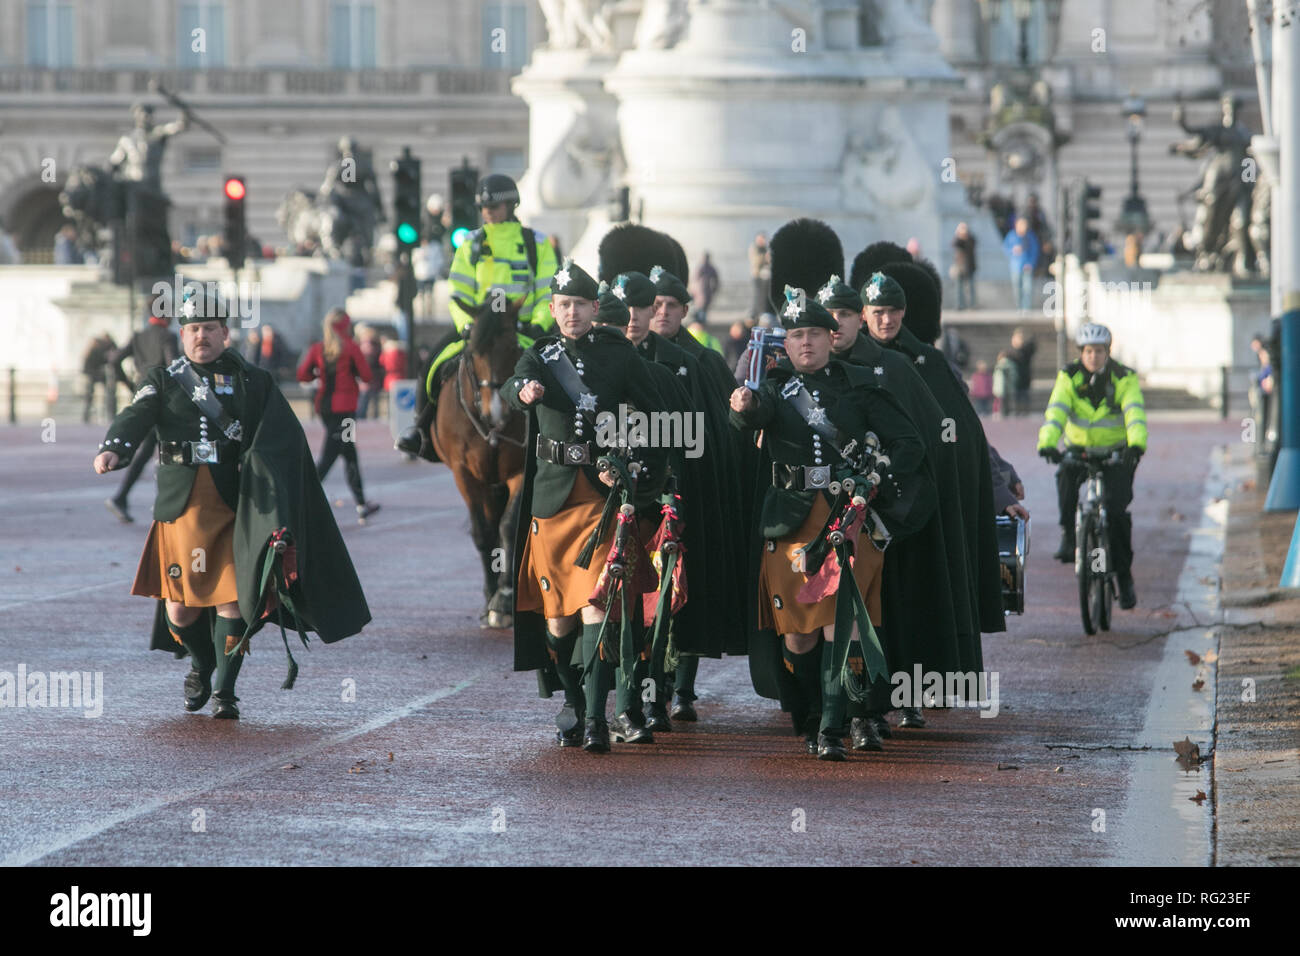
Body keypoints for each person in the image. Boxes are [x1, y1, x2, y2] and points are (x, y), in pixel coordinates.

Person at [92, 289, 370, 719]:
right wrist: (115, 448)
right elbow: (135, 415)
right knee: (180, 609)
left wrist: (265, 475)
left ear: (224, 333)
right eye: (193, 329)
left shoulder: (252, 381)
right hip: (182, 509)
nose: (201, 336)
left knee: (233, 602)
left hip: (236, 508)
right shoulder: (162, 378)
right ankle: (203, 665)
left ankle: (225, 689)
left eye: (209, 328)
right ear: (182, 335)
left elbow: (283, 439)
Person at [729, 288, 932, 759]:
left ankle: (838, 725)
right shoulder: (776, 389)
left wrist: (877, 475)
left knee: (845, 626)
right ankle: (810, 712)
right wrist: (741, 408)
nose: (805, 344)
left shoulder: (857, 385)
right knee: (799, 633)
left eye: (814, 334)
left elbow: (910, 444)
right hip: (791, 522)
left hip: (849, 518)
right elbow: (751, 416)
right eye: (797, 335)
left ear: (830, 336)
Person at [504, 259, 672, 752]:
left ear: (595, 308)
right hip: (552, 501)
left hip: (601, 502)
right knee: (558, 622)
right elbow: (515, 385)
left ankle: (598, 719)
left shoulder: (617, 356)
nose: (571, 312)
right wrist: (524, 391)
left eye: (580, 304)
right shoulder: (539, 354)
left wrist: (625, 457)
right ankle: (575, 699)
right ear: (552, 309)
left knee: (598, 604)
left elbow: (656, 417)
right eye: (563, 305)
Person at [397, 173, 558, 461]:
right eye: (483, 207)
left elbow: (547, 290)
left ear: (511, 205)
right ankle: (419, 430)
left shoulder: (537, 243)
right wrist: (467, 325)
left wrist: (538, 324)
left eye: (493, 207)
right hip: (479, 329)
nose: (487, 212)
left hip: (524, 329)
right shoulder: (470, 242)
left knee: (562, 372)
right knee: (432, 366)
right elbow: (458, 290)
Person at [1037, 322, 1147, 609]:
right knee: (1064, 477)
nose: (1093, 356)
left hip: (1115, 453)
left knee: (1117, 514)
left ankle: (1124, 576)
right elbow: (1056, 411)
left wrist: (1136, 446)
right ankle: (1067, 535)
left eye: (1099, 351)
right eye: (1088, 351)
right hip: (1080, 451)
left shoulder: (1124, 377)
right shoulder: (1069, 376)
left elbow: (1134, 413)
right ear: (1081, 352)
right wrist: (1047, 442)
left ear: (1107, 352)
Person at [296, 309, 381, 523]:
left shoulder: (318, 348)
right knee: (330, 456)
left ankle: (362, 503)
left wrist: (319, 373)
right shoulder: (351, 348)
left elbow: (302, 375)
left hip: (325, 407)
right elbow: (367, 375)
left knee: (349, 453)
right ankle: (301, 498)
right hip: (345, 410)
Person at [104, 306, 180, 522]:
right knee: (170, 448)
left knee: (148, 450)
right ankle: (168, 503)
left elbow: (114, 359)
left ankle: (122, 497)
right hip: (163, 400)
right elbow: (173, 366)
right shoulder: (168, 336)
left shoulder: (139, 336)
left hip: (141, 395)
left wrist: (128, 383)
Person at [1003, 217, 1039, 313]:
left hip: (1027, 266)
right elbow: (1006, 248)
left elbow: (1035, 250)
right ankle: (1019, 307)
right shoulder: (1011, 236)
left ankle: (1026, 308)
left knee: (1028, 288)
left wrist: (1031, 263)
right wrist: (1013, 250)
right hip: (1015, 266)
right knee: (1017, 289)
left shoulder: (1030, 236)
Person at [1008, 326, 1037, 416]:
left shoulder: (1026, 350)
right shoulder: (1014, 352)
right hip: (1016, 380)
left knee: (1024, 399)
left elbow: (1021, 356)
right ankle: (1019, 413)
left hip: (1025, 380)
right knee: (1017, 400)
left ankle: (1024, 413)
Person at [951, 222, 977, 310]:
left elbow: (972, 244)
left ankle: (972, 305)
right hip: (959, 267)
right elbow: (954, 244)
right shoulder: (957, 239)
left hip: (969, 266)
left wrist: (966, 237)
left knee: (970, 288)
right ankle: (959, 305)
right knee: (958, 288)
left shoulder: (970, 239)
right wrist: (958, 235)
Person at [691, 252, 720, 321]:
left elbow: (716, 280)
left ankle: (701, 320)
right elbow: (695, 280)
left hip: (705, 290)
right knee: (701, 307)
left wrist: (714, 289)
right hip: (701, 291)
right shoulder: (703, 268)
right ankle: (700, 320)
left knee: (703, 307)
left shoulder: (709, 268)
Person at [748, 232, 770, 319]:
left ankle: (763, 312)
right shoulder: (754, 248)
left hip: (765, 277)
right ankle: (754, 313)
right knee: (757, 295)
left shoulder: (766, 249)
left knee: (764, 296)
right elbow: (755, 262)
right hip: (756, 275)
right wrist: (765, 257)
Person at [992, 350, 1015, 420]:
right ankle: (1004, 412)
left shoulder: (1001, 365)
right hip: (1004, 387)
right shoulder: (1007, 364)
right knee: (1004, 401)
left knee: (1000, 401)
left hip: (1001, 387)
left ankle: (1000, 412)